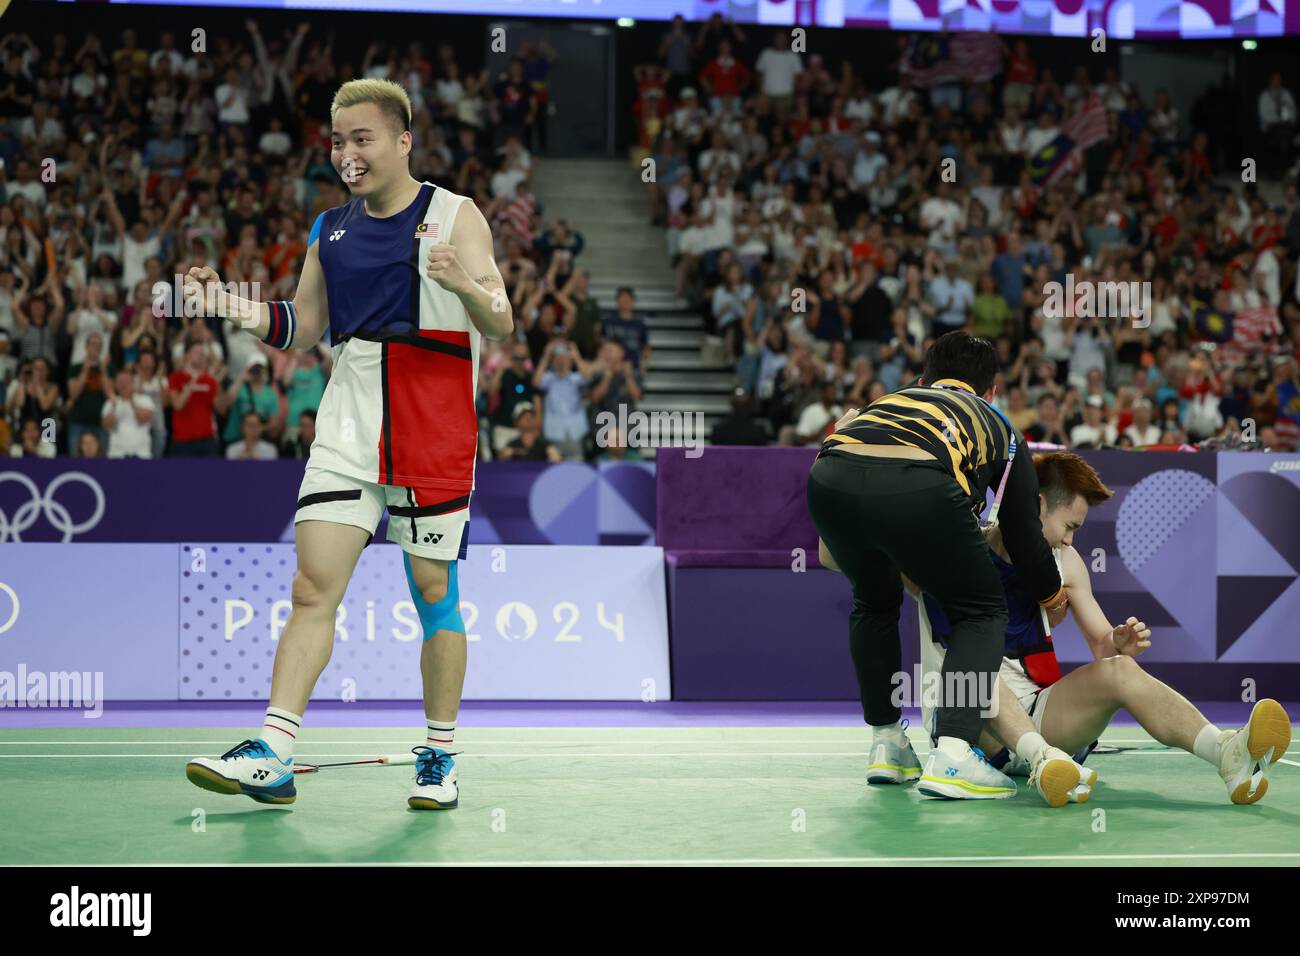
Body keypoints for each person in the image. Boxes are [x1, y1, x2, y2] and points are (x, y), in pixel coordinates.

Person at [184, 78, 512, 811]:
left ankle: (439, 755)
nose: (347, 153)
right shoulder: (329, 228)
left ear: (402, 141)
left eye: (361, 138)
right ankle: (272, 750)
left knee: (434, 594)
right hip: (350, 414)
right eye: (337, 141)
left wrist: (462, 280)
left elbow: (501, 321)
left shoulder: (455, 215)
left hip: (433, 419)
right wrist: (224, 304)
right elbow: (301, 325)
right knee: (312, 586)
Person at [918, 453, 1292, 806]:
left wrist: (1116, 641)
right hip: (968, 724)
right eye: (1069, 526)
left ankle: (1228, 753)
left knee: (1120, 671)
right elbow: (904, 568)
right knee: (977, 669)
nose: (1070, 540)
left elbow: (1100, 643)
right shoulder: (961, 551)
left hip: (1037, 712)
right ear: (1038, 505)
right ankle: (1043, 761)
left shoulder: (1064, 561)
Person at [807, 331, 1069, 802]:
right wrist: (1053, 595)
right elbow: (1024, 534)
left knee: (873, 600)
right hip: (918, 484)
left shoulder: (888, 401)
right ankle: (954, 752)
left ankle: (887, 745)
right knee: (983, 611)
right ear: (991, 391)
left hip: (828, 477)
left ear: (924, 377)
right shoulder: (1000, 427)